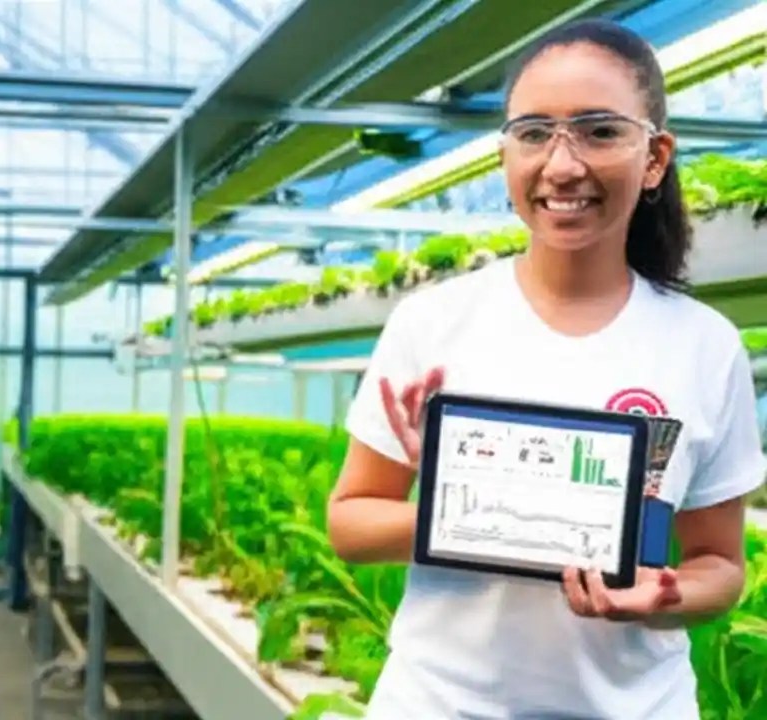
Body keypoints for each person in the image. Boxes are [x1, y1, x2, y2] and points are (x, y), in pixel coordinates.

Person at [327, 19, 765, 720]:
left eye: (598, 131)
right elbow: (351, 521)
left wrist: (662, 599)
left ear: (654, 158)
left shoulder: (705, 346)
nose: (562, 165)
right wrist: (460, 507)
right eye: (533, 132)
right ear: (505, 155)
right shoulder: (433, 321)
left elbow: (720, 566)